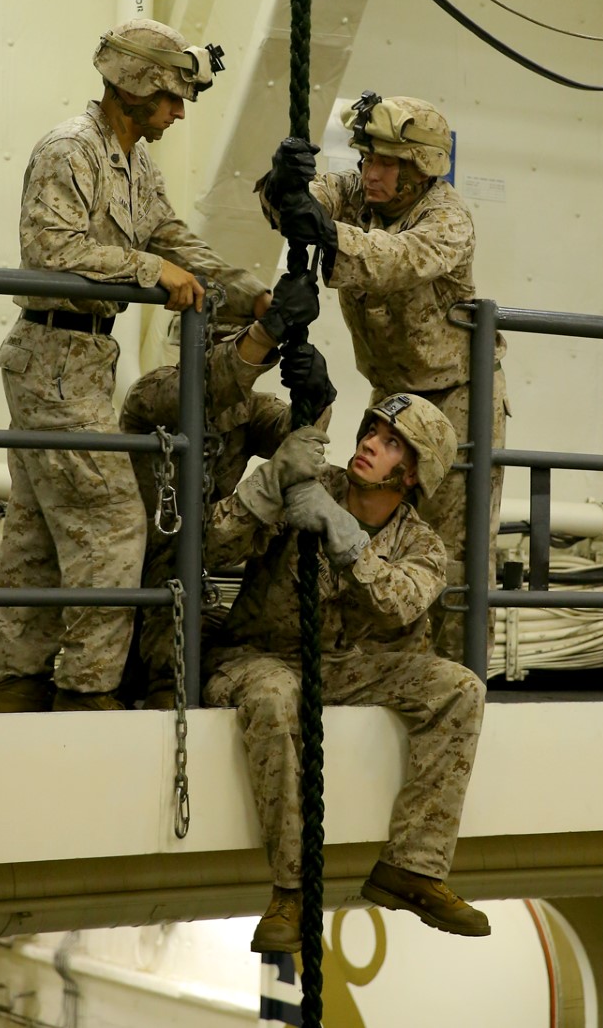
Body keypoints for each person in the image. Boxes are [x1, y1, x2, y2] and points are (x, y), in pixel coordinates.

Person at [0, 20, 271, 714]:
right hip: (53, 358)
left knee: (36, 534)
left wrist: (249, 292)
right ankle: (87, 694)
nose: (179, 113)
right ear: (135, 86)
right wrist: (150, 270)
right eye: (172, 97)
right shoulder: (70, 150)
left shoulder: (134, 161)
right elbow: (52, 250)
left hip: (79, 360)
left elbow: (170, 237)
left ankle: (18, 690)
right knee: (114, 522)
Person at [203, 392, 488, 953]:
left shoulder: (421, 544)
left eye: (391, 443)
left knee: (461, 688)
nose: (370, 444)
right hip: (260, 655)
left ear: (412, 475)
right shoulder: (308, 485)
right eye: (371, 432)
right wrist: (272, 485)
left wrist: (346, 538)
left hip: (349, 668)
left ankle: (413, 867)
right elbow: (212, 544)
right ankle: (290, 891)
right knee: (274, 696)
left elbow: (400, 602)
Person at [258, 94, 509, 661]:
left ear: (421, 168)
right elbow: (297, 207)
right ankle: (375, 666)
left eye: (388, 163)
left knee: (454, 553)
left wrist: (323, 230)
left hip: (455, 402)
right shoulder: (357, 192)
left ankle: (454, 675)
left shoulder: (447, 219)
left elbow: (391, 259)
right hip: (392, 396)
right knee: (373, 529)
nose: (371, 172)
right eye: (368, 158)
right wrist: (281, 186)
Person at [119, 271, 335, 706]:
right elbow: (201, 388)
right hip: (133, 571)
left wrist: (318, 396)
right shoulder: (152, 392)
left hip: (192, 570)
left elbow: (295, 438)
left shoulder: (248, 410)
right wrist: (265, 333)